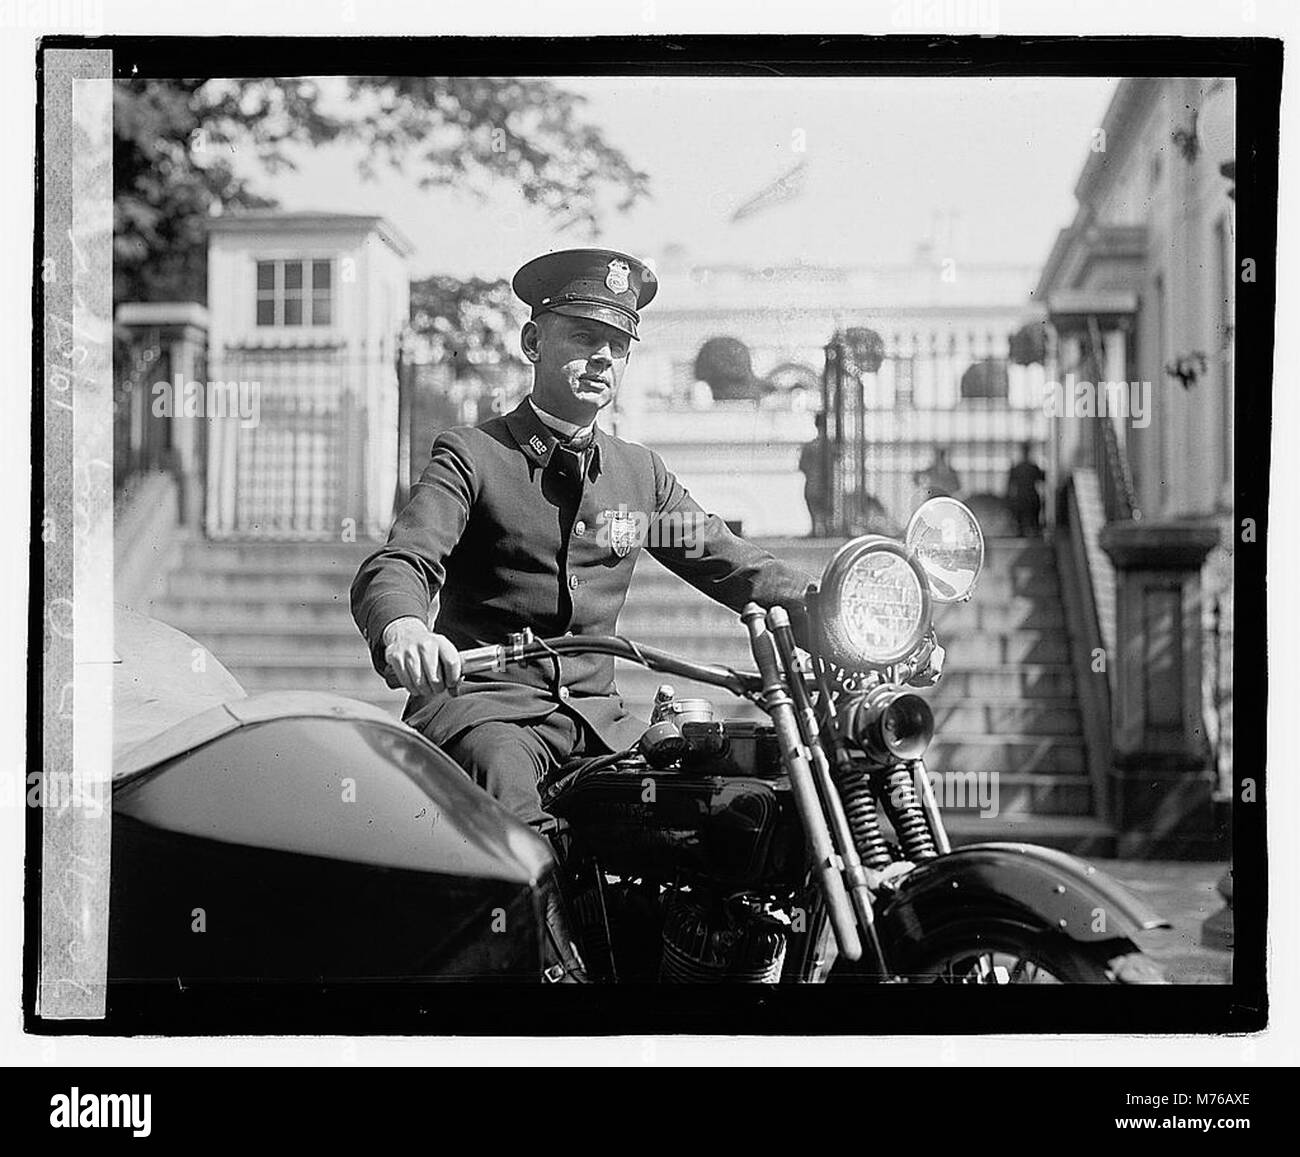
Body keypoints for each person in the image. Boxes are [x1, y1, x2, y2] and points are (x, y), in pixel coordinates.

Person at [351, 247, 814, 833]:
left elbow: (730, 563)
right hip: (487, 711)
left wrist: (833, 610)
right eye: (582, 337)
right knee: (520, 827)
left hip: (600, 725)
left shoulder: (639, 475)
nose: (602, 358)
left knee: (706, 817)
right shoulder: (474, 456)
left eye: (617, 345)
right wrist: (404, 627)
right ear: (532, 343)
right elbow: (400, 563)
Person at [798, 411, 835, 537]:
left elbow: (801, 466)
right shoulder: (829, 446)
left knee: (814, 511)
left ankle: (815, 530)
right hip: (826, 485)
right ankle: (824, 531)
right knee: (825, 512)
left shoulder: (809, 446)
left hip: (811, 484)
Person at [1006, 441, 1046, 537]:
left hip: (1021, 497)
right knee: (1033, 520)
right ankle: (1034, 533)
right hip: (1031, 496)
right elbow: (1043, 480)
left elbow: (1010, 486)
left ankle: (1022, 533)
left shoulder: (1017, 468)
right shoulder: (1033, 467)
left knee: (1021, 521)